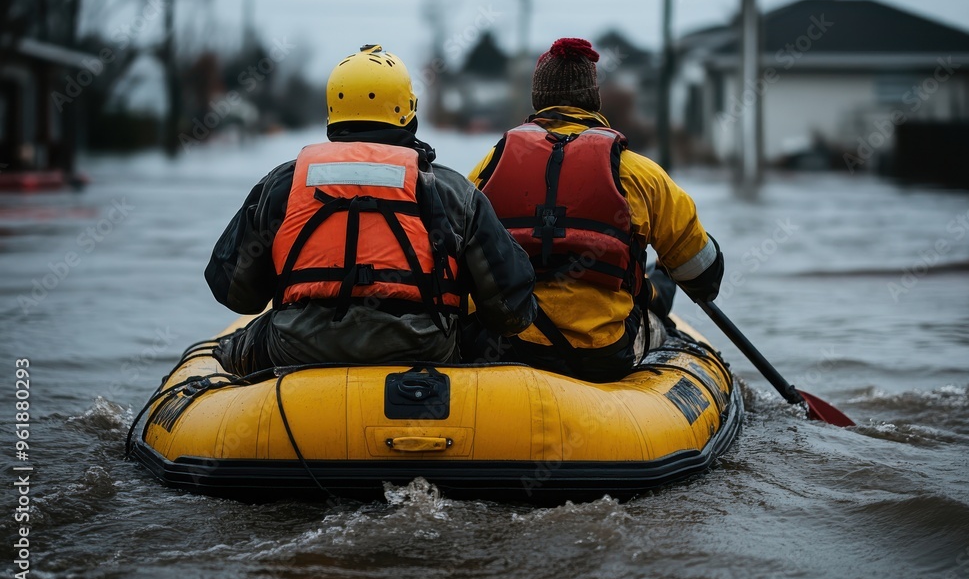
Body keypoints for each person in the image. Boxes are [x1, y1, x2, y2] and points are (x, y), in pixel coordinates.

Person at [206, 44, 537, 377]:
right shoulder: (452, 190)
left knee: (231, 347)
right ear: (407, 110)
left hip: (297, 347)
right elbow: (511, 311)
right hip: (424, 350)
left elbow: (235, 293)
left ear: (333, 112)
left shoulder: (284, 184)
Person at [467, 37, 724, 382]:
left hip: (509, 347)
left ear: (538, 99)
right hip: (602, 355)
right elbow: (703, 274)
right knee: (660, 307)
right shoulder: (640, 173)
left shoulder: (490, 166)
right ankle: (655, 288)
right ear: (593, 98)